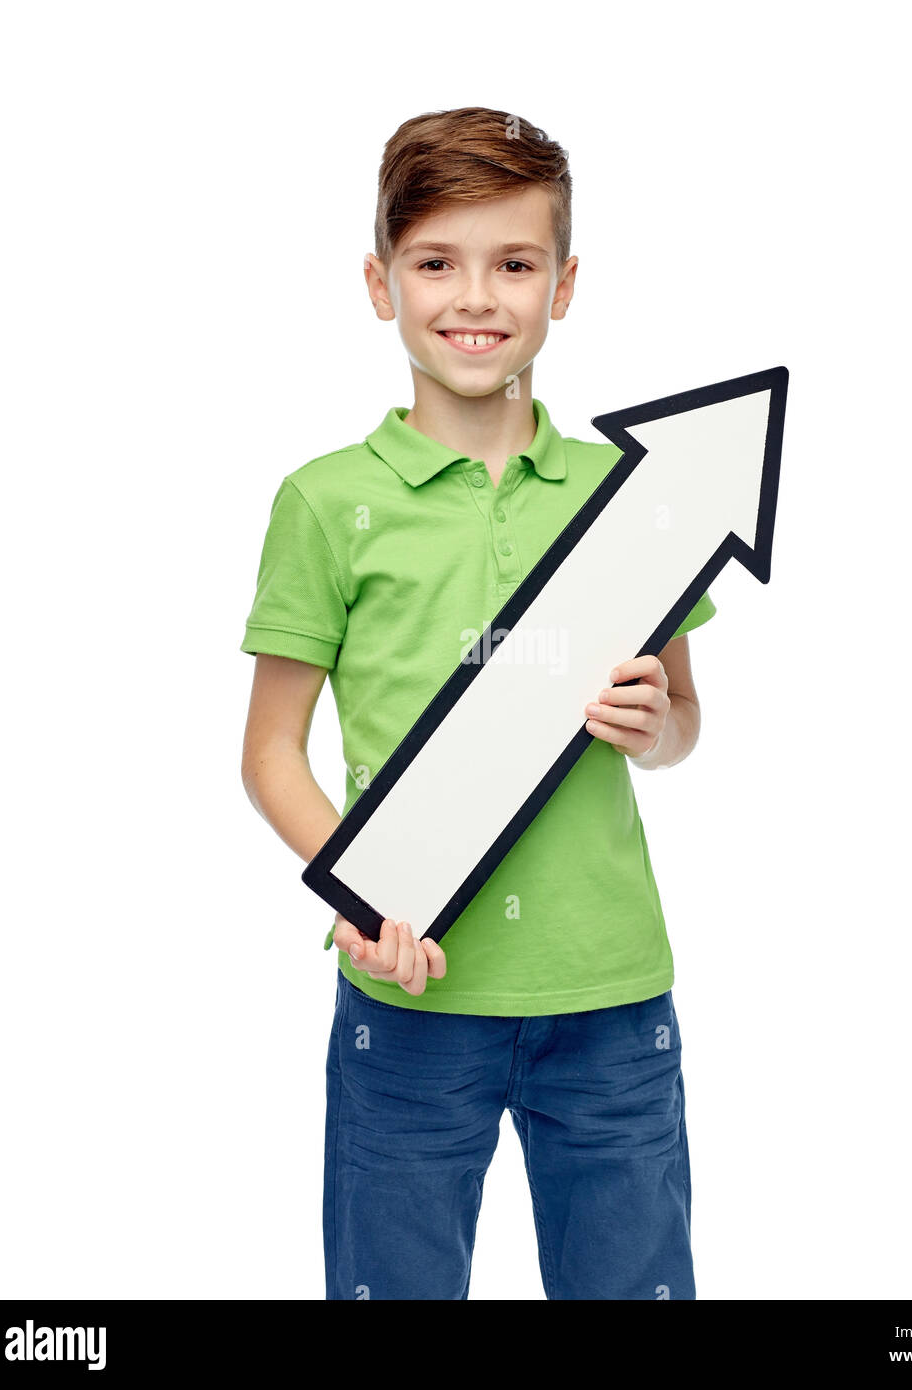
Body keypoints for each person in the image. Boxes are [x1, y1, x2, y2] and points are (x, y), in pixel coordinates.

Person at [239, 106, 716, 1300]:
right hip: (407, 996)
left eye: (515, 263)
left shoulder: (628, 498)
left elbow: (685, 725)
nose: (476, 296)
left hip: (608, 994)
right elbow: (269, 754)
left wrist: (660, 724)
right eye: (436, 262)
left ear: (563, 287)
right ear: (379, 281)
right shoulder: (324, 501)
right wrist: (355, 893)